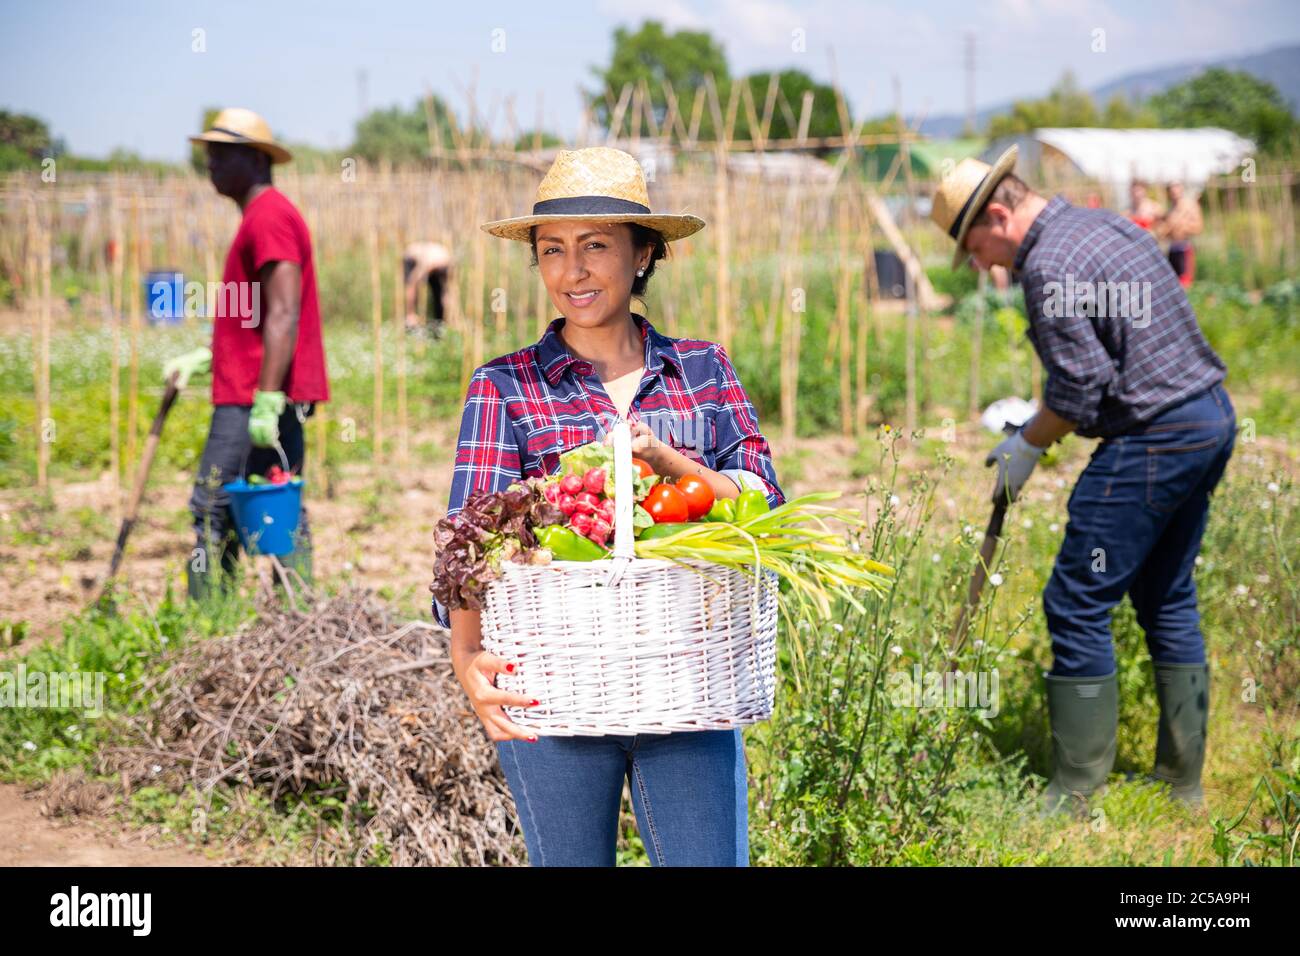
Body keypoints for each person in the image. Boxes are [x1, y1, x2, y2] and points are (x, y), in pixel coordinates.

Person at [432, 146, 784, 866]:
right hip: (552, 684)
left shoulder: (702, 370)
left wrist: (669, 464)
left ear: (645, 252)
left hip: (687, 677)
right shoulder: (506, 385)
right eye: (552, 250)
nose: (573, 272)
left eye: (596, 246)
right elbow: (468, 538)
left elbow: (764, 504)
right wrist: (466, 656)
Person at [931, 146, 1234, 816]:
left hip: (1155, 433)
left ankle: (1074, 797)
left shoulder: (1047, 265)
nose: (979, 266)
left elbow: (1079, 388)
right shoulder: (1108, 227)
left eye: (975, 249)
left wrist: (1025, 446)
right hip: (1209, 417)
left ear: (1001, 215)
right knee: (1167, 594)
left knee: (1075, 601)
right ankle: (1182, 784)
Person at [163, 107, 329, 599]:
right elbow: (257, 317)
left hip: (254, 396)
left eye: (220, 155)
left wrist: (265, 399)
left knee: (215, 502)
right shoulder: (259, 216)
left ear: (254, 160)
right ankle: (277, 619)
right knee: (263, 500)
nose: (210, 165)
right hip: (251, 386)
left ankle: (209, 621)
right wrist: (210, 355)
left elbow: (283, 312)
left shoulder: (270, 217)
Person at [1154, 180, 1203, 288]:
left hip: (1184, 248)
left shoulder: (1190, 206)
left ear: (1181, 189)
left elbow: (1198, 228)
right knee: (1173, 284)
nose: (1174, 191)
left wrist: (1182, 227)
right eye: (1172, 189)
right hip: (1172, 249)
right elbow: (1164, 233)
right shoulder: (1171, 209)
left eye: (1176, 188)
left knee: (1185, 283)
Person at [402, 240, 454, 335]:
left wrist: (448, 311)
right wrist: (411, 312)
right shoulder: (429, 263)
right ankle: (410, 317)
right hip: (413, 258)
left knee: (439, 296)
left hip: (436, 260)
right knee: (412, 285)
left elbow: (447, 292)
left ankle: (440, 325)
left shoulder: (446, 266)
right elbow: (412, 283)